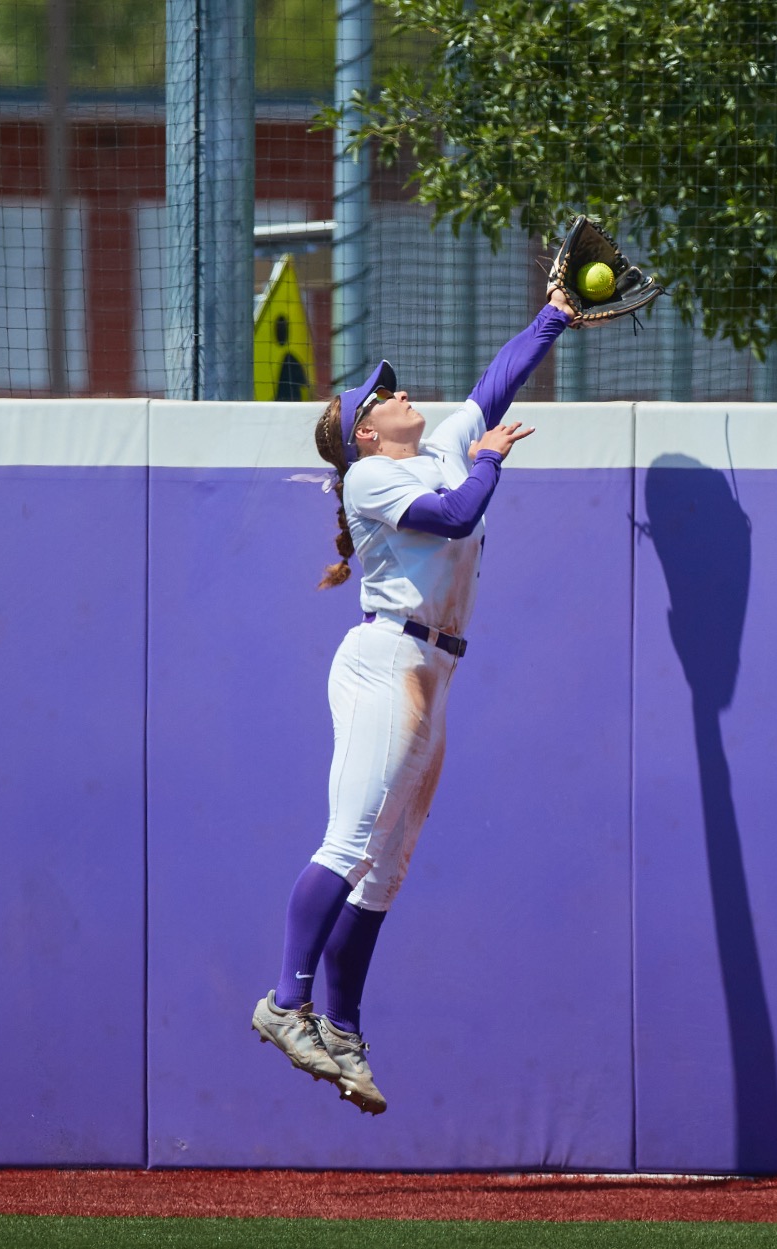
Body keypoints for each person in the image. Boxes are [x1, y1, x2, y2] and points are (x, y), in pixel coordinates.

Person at [250, 281, 583, 1114]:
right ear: (365, 430)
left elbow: (493, 384)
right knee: (351, 840)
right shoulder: (367, 478)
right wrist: (491, 460)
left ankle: (344, 1029)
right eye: (384, 394)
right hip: (384, 663)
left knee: (386, 873)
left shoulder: (439, 445)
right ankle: (284, 1003)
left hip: (434, 674)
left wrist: (555, 316)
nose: (401, 393)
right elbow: (454, 517)